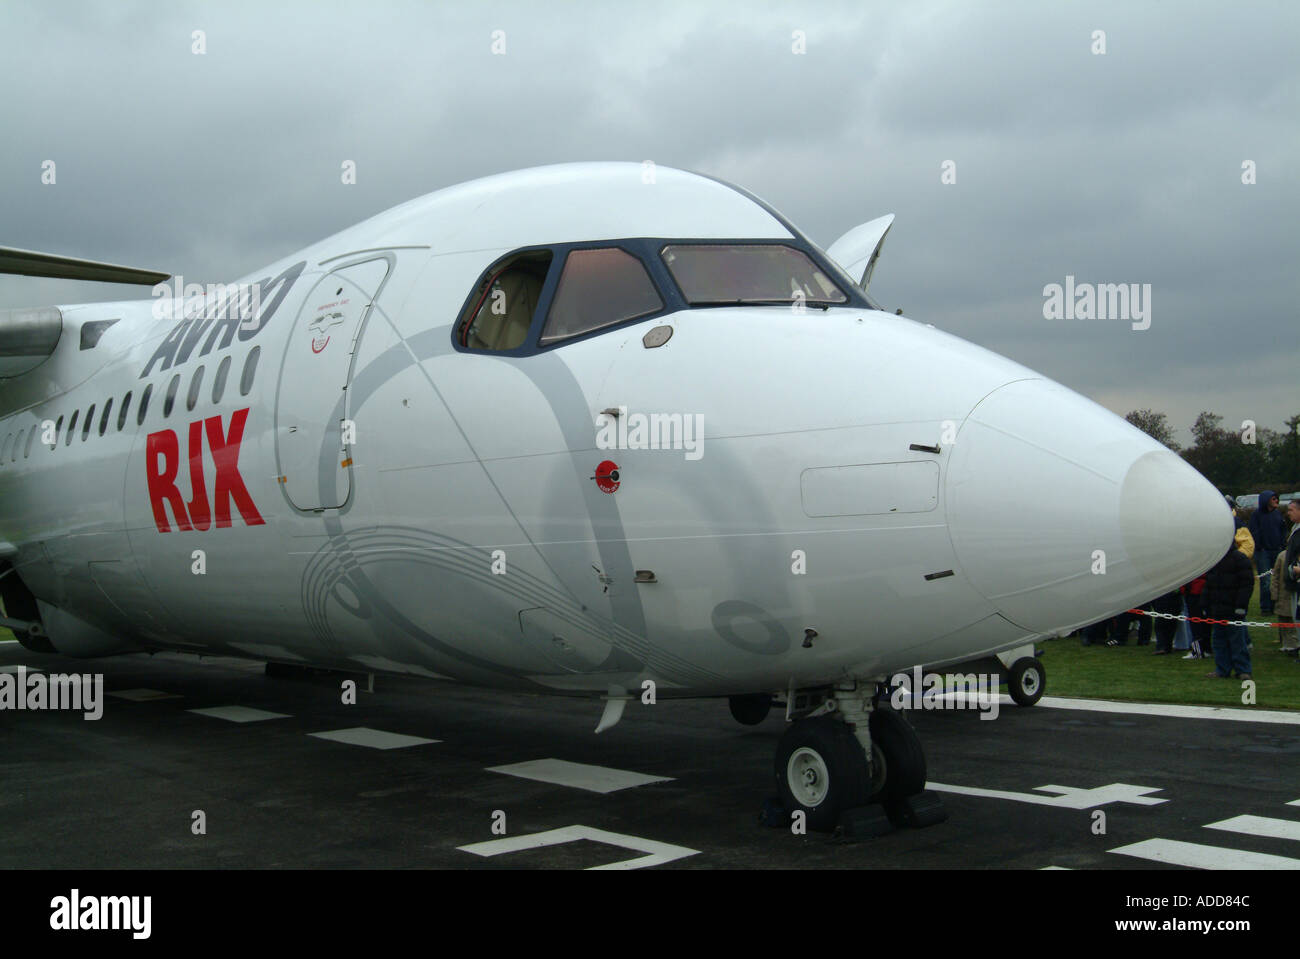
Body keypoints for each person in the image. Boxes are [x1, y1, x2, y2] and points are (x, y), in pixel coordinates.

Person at [1203, 538, 1255, 680]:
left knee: (1237, 641)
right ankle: (1222, 669)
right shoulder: (1215, 559)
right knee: (1219, 641)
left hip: (1233, 609)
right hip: (1218, 608)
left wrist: (1240, 606)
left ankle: (1243, 670)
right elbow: (1208, 584)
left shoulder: (1240, 559)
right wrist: (1206, 604)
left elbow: (1247, 585)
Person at [1248, 491, 1285, 615]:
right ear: (1266, 500)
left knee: (1277, 579)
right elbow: (1253, 532)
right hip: (1263, 552)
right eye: (1273, 499)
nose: (1276, 501)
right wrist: (1259, 547)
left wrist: (1282, 546)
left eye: (1277, 498)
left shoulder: (1278, 514)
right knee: (1266, 581)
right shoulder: (1256, 515)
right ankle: (1266, 608)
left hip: (1277, 550)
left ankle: (1275, 605)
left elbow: (1282, 530)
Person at [1150, 588, 1182, 655]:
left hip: (1162, 596)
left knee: (1160, 625)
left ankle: (1161, 647)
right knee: (1171, 624)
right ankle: (1167, 647)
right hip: (1174, 597)